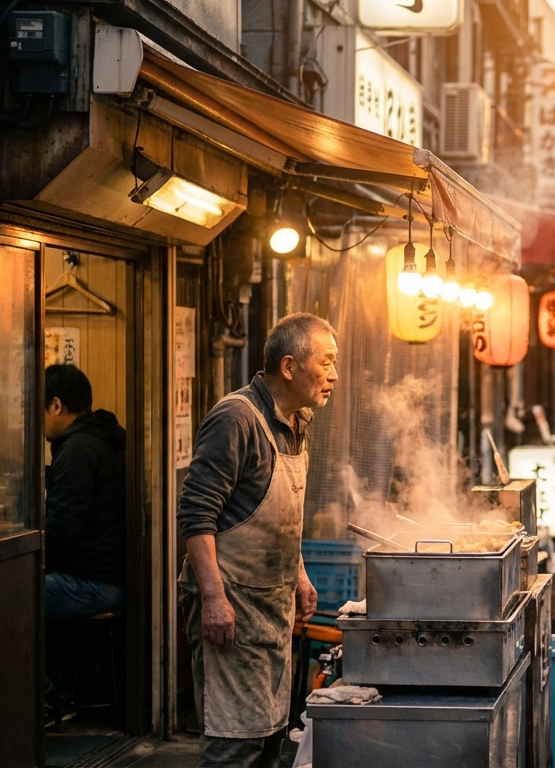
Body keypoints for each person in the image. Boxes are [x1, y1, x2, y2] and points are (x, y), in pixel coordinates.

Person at [177, 313, 336, 768]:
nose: (334, 375)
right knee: (235, 742)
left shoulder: (297, 420)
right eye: (326, 363)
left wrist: (299, 575)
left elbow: (284, 513)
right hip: (232, 605)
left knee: (269, 739)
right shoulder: (236, 418)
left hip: (272, 605)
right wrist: (212, 597)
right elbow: (195, 512)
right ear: (289, 366)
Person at [44, 364, 127, 623]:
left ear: (56, 405)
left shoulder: (77, 450)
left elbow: (62, 526)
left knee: (6, 592)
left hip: (93, 583)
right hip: (112, 577)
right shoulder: (99, 438)